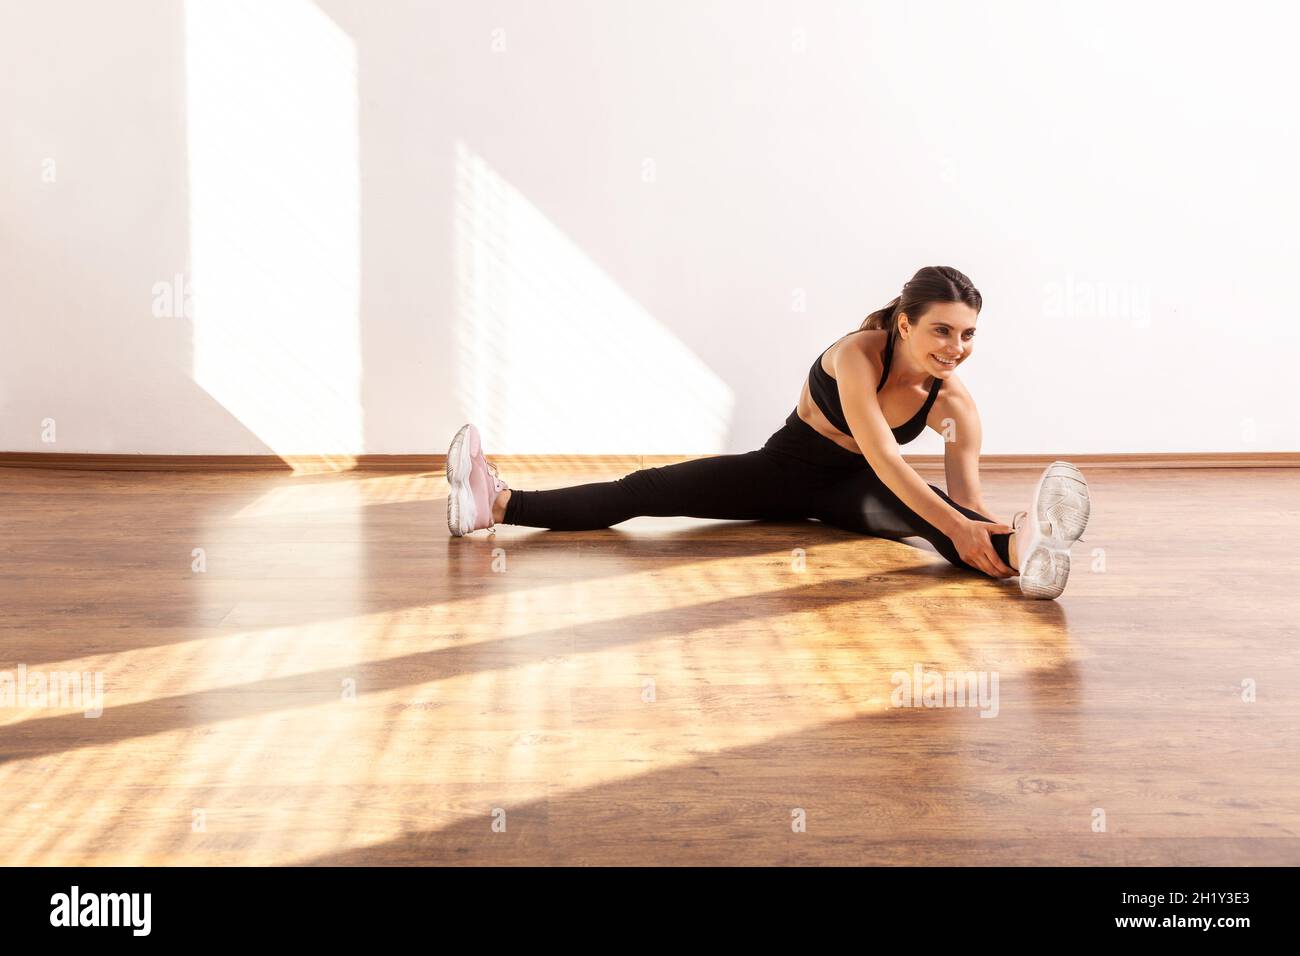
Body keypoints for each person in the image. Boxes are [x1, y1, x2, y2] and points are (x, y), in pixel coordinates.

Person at [445, 265, 1090, 600]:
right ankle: (495, 504)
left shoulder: (956, 407)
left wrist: (981, 528)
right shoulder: (859, 354)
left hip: (851, 494)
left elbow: (962, 499)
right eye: (942, 330)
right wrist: (958, 523)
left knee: (942, 518)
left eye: (968, 333)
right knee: (642, 490)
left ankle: (1024, 554)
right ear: (903, 323)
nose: (956, 347)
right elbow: (887, 458)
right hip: (778, 475)